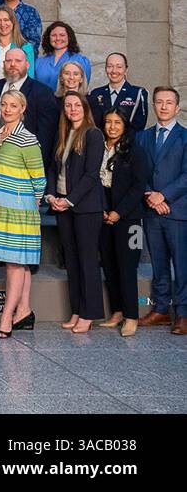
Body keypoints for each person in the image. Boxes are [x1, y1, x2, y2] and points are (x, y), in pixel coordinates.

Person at [0, 89, 49, 338]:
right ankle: (24, 310)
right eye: (4, 104)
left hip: (20, 210)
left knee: (14, 263)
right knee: (19, 263)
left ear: (23, 109)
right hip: (0, 207)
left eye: (13, 105)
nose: (8, 109)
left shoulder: (28, 139)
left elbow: (39, 180)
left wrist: (30, 207)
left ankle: (6, 318)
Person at [46, 92, 105, 333]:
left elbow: (91, 176)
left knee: (87, 261)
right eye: (68, 105)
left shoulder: (93, 135)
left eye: (77, 105)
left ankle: (89, 314)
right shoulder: (62, 134)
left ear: (85, 108)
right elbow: (52, 168)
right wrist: (51, 196)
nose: (72, 109)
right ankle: (77, 310)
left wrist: (69, 200)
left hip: (85, 208)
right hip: (62, 206)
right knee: (71, 261)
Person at [136, 87, 187, 333]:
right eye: (159, 102)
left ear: (177, 107)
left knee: (182, 263)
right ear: (154, 106)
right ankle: (161, 310)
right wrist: (150, 195)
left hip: (177, 211)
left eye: (169, 102)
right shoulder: (142, 138)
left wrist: (163, 195)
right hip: (151, 210)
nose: (164, 106)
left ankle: (183, 314)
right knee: (158, 263)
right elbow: (138, 172)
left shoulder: (185, 137)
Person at [97, 108, 150, 337]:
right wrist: (103, 210)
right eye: (108, 122)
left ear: (125, 125)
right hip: (104, 215)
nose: (112, 126)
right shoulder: (99, 148)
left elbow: (138, 187)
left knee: (127, 268)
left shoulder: (135, 152)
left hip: (130, 219)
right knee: (109, 266)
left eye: (117, 122)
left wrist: (119, 212)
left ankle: (131, 317)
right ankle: (117, 312)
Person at [0, 47, 59, 174]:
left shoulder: (43, 92)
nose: (13, 64)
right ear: (4, 64)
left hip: (23, 166)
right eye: (8, 61)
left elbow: (46, 136)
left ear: (27, 64)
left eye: (18, 61)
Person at [88, 52, 148, 131]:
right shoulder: (96, 93)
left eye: (119, 67)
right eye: (110, 66)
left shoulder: (138, 93)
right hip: (100, 141)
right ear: (105, 68)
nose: (114, 71)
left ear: (126, 69)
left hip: (128, 142)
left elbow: (139, 127)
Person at [35, 21, 90, 94]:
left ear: (69, 37)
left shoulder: (81, 60)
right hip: (42, 103)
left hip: (67, 103)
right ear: (48, 38)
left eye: (62, 35)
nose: (58, 38)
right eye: (54, 35)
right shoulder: (39, 62)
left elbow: (83, 88)